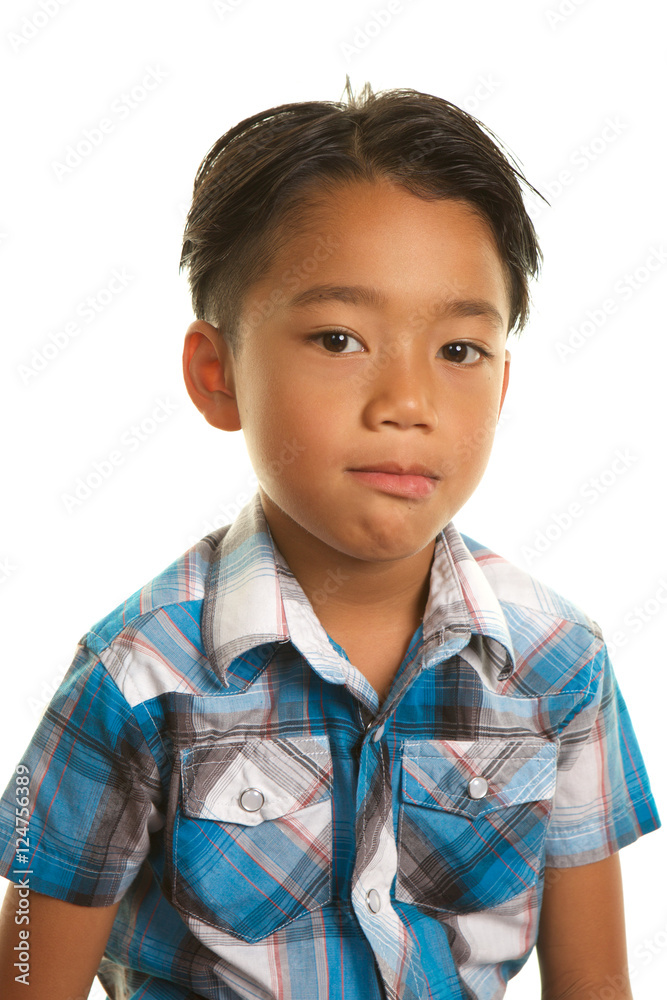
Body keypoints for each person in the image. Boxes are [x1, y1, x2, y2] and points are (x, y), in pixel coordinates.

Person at [0, 78, 660, 1000]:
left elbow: (595, 985)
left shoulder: (558, 664)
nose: (406, 404)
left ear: (502, 385)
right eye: (340, 338)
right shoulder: (135, 677)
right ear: (216, 372)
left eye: (458, 351)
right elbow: (27, 971)